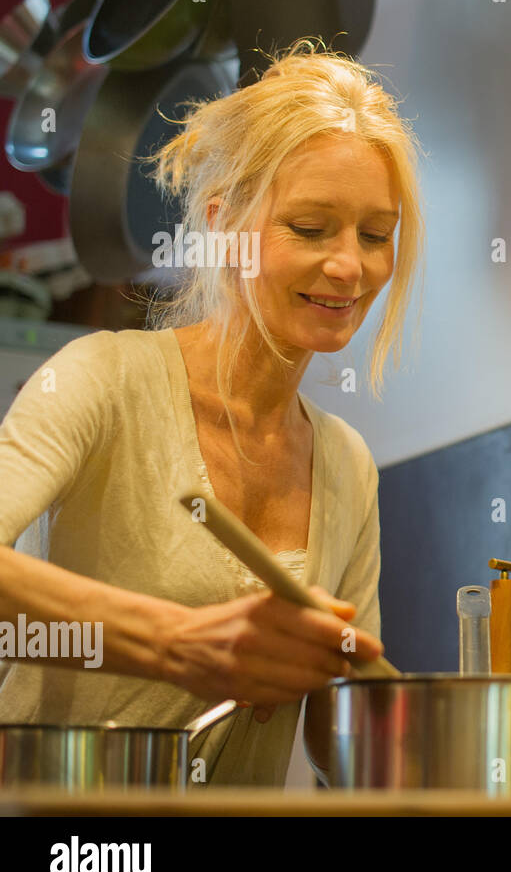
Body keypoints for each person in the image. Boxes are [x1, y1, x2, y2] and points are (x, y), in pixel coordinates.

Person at [0, 41, 424, 786]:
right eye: (311, 226)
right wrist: (175, 640)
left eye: (375, 235)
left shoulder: (347, 465)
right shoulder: (102, 380)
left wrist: (439, 738)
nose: (350, 266)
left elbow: (343, 733)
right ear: (228, 227)